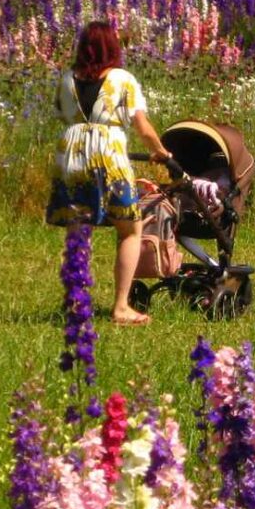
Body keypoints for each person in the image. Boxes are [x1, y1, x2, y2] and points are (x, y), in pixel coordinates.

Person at [46, 21, 172, 326]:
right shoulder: (122, 79)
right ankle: (121, 306)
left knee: (78, 229)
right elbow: (142, 127)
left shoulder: (66, 79)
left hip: (71, 154)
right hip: (108, 154)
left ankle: (75, 300)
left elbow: (61, 113)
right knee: (130, 227)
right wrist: (162, 152)